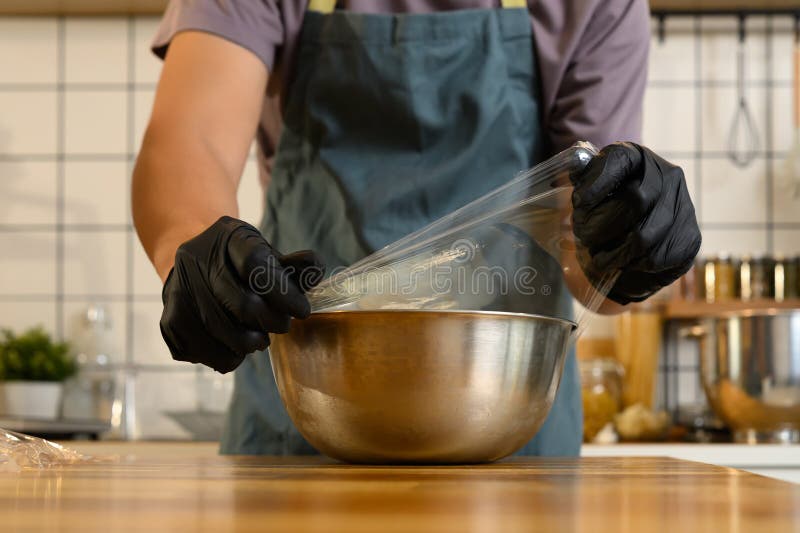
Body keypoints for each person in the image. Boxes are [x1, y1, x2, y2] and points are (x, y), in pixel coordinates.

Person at [132, 0, 701, 456]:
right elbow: (189, 143)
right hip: (302, 429)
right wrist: (199, 250)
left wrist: (629, 240)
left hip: (509, 446)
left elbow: (584, 244)